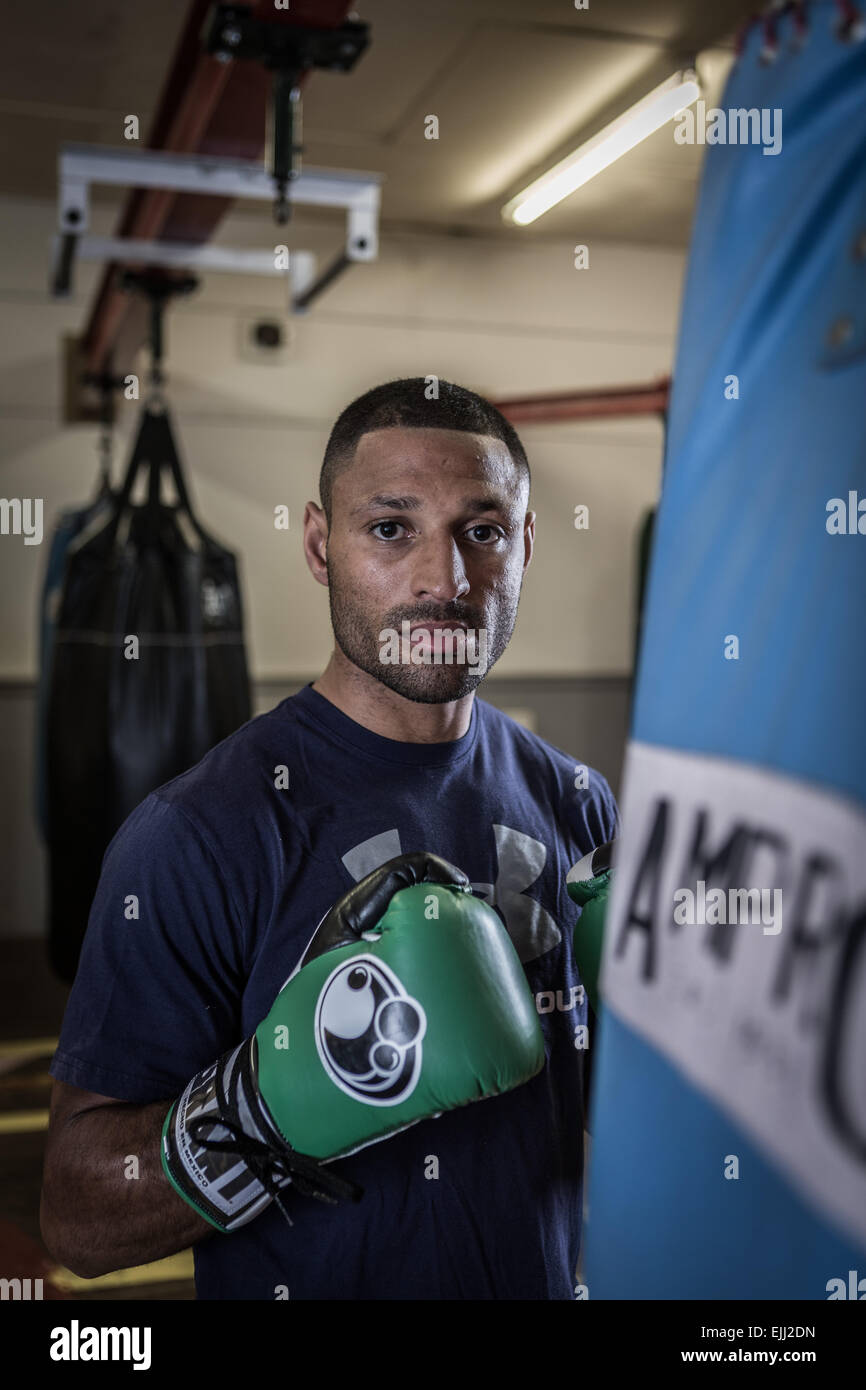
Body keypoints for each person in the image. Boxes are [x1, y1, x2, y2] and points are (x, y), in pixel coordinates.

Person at [40, 377, 618, 1300]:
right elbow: (78, 1218)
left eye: (483, 530)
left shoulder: (576, 803)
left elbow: (606, 1119)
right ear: (320, 545)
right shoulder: (200, 833)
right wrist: (267, 1112)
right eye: (392, 529)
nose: (446, 579)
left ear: (525, 545)